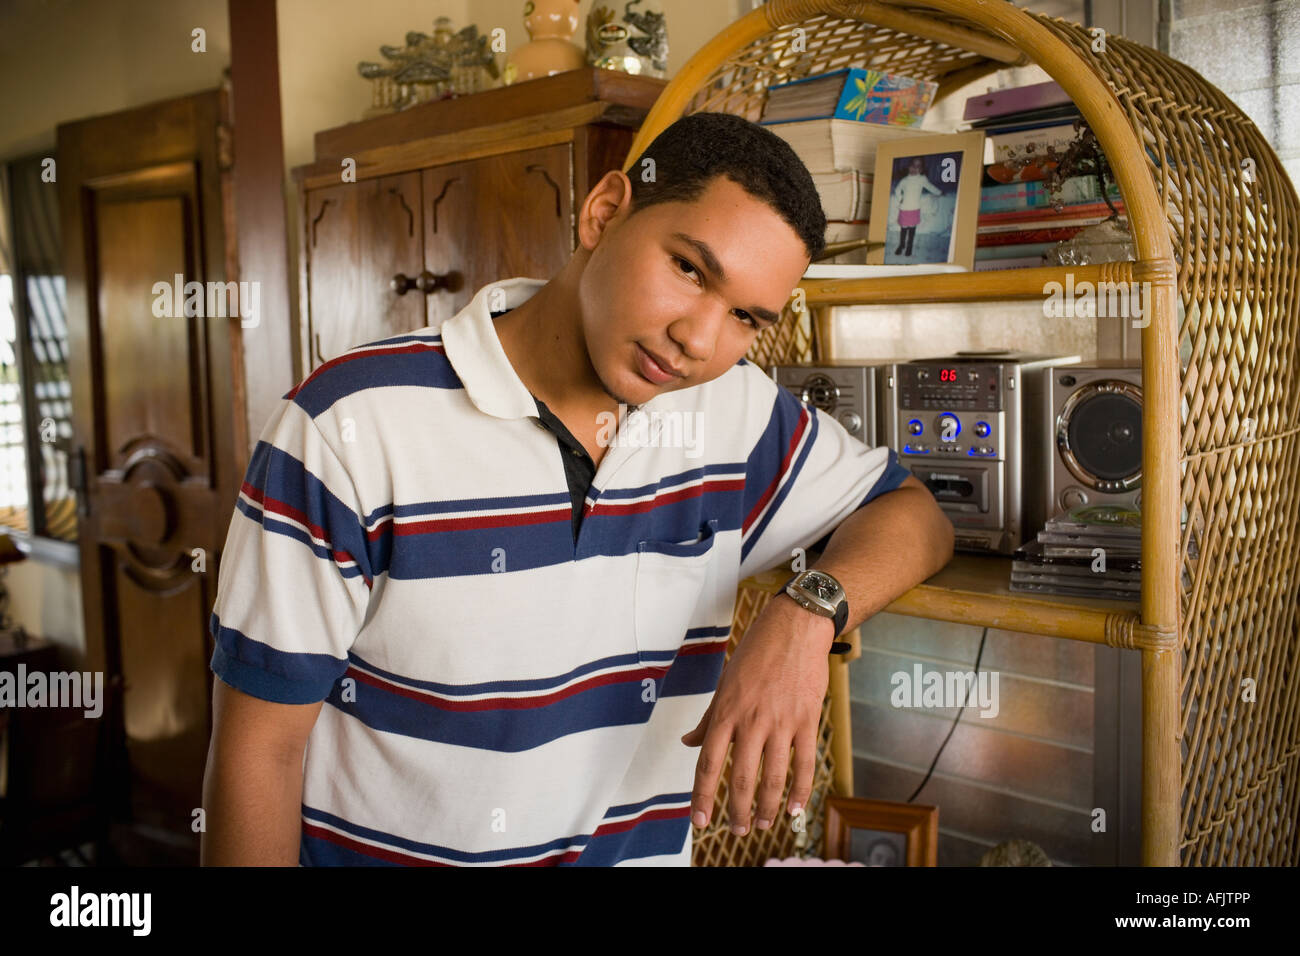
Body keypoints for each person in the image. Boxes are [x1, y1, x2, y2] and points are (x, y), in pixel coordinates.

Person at [200, 111, 954, 867]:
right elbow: (257, 756)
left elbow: (916, 515)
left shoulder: (737, 414)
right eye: (689, 269)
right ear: (604, 213)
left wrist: (807, 616)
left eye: (745, 318)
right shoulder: (347, 425)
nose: (699, 338)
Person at [892, 156, 942, 257]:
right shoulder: (904, 180)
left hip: (914, 209)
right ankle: (901, 245)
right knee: (903, 229)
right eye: (913, 165)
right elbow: (897, 190)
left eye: (918, 166)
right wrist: (900, 198)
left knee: (912, 230)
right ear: (908, 166)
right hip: (904, 209)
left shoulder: (922, 179)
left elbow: (930, 186)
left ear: (921, 169)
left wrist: (939, 192)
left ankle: (909, 246)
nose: (915, 168)